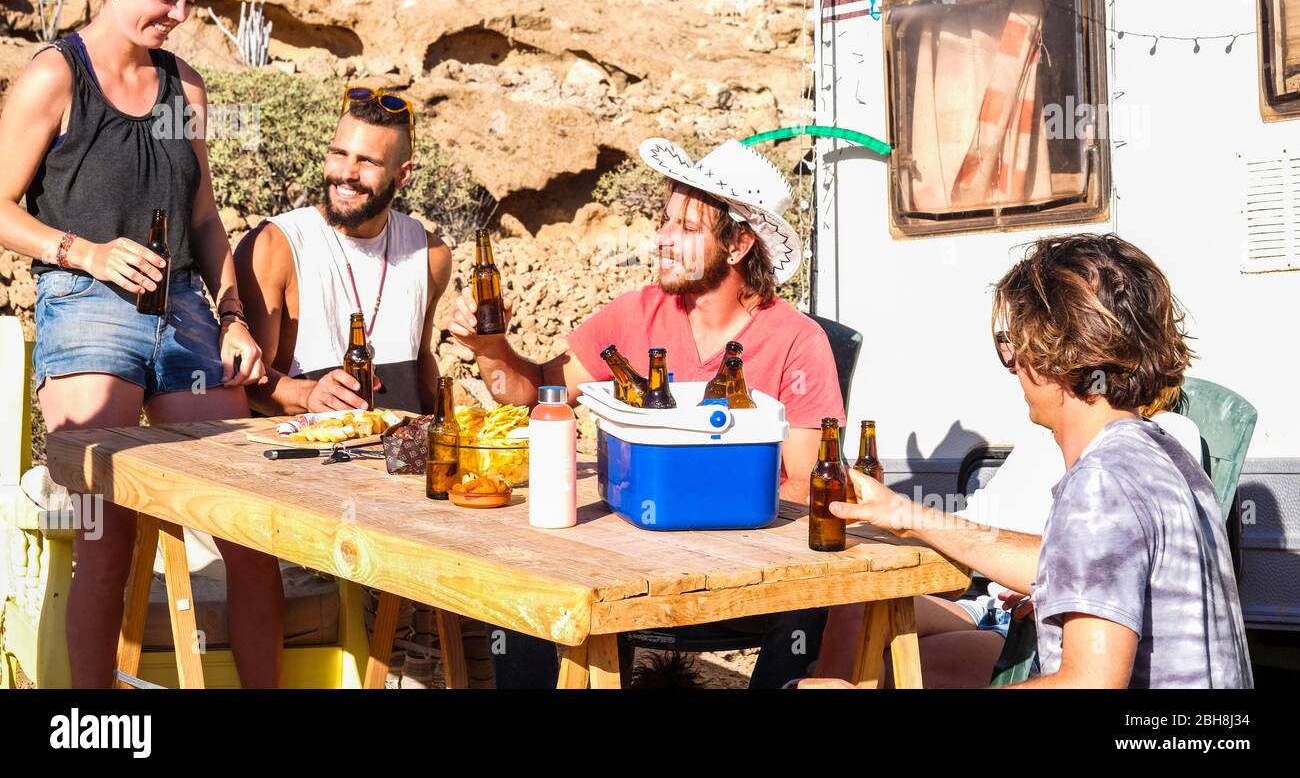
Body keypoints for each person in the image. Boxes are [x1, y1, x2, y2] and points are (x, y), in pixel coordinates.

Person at [0, 0, 282, 687]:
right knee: (107, 533)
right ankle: (95, 724)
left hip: (186, 316)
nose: (180, 16)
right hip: (86, 312)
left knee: (251, 526)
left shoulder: (183, 90)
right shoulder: (55, 78)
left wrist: (233, 319)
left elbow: (205, 222)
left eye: (191, 1)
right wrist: (84, 253)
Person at [448, 137, 845, 687]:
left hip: (745, 580)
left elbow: (807, 486)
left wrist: (705, 505)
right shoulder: (637, 314)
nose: (662, 239)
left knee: (812, 602)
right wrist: (490, 348)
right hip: (628, 564)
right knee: (525, 583)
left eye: (686, 227)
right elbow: (537, 390)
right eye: (665, 221)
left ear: (737, 246)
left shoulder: (799, 341)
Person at [803, 233, 1252, 688]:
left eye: (1015, 346)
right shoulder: (1160, 453)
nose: (1014, 366)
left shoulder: (1103, 481)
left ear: (1055, 355)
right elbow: (1060, 560)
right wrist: (903, 513)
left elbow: (1088, 685)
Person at [813, 390, 1203, 687]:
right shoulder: (1052, 432)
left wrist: (1055, 592)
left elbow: (1115, 569)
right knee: (855, 608)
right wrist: (892, 519)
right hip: (981, 603)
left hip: (1029, 630)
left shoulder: (1154, 440)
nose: (1018, 367)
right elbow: (976, 521)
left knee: (879, 674)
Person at [234, 89, 452, 416]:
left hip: (397, 456)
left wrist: (449, 427)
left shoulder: (430, 254)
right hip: (302, 456)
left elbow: (419, 360)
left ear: (403, 174)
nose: (346, 173)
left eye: (367, 161)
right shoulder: (275, 244)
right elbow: (247, 379)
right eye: (339, 153)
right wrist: (307, 395)